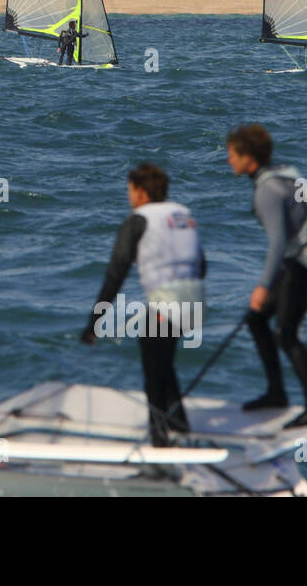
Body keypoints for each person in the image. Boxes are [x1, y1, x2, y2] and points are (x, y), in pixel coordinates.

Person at [80, 163, 206, 446]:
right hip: (195, 300)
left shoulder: (137, 221)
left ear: (141, 192)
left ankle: (159, 440)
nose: (129, 197)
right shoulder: (182, 214)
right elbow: (202, 264)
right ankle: (180, 425)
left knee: (153, 368)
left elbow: (116, 272)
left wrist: (94, 322)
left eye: (130, 190)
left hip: (165, 304)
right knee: (164, 362)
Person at [226, 124, 307, 429]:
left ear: (248, 158)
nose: (229, 161)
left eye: (232, 155)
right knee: (257, 320)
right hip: (302, 259)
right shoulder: (286, 172)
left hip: (301, 264)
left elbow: (279, 242)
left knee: (286, 332)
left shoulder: (267, 191)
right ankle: (276, 392)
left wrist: (262, 285)